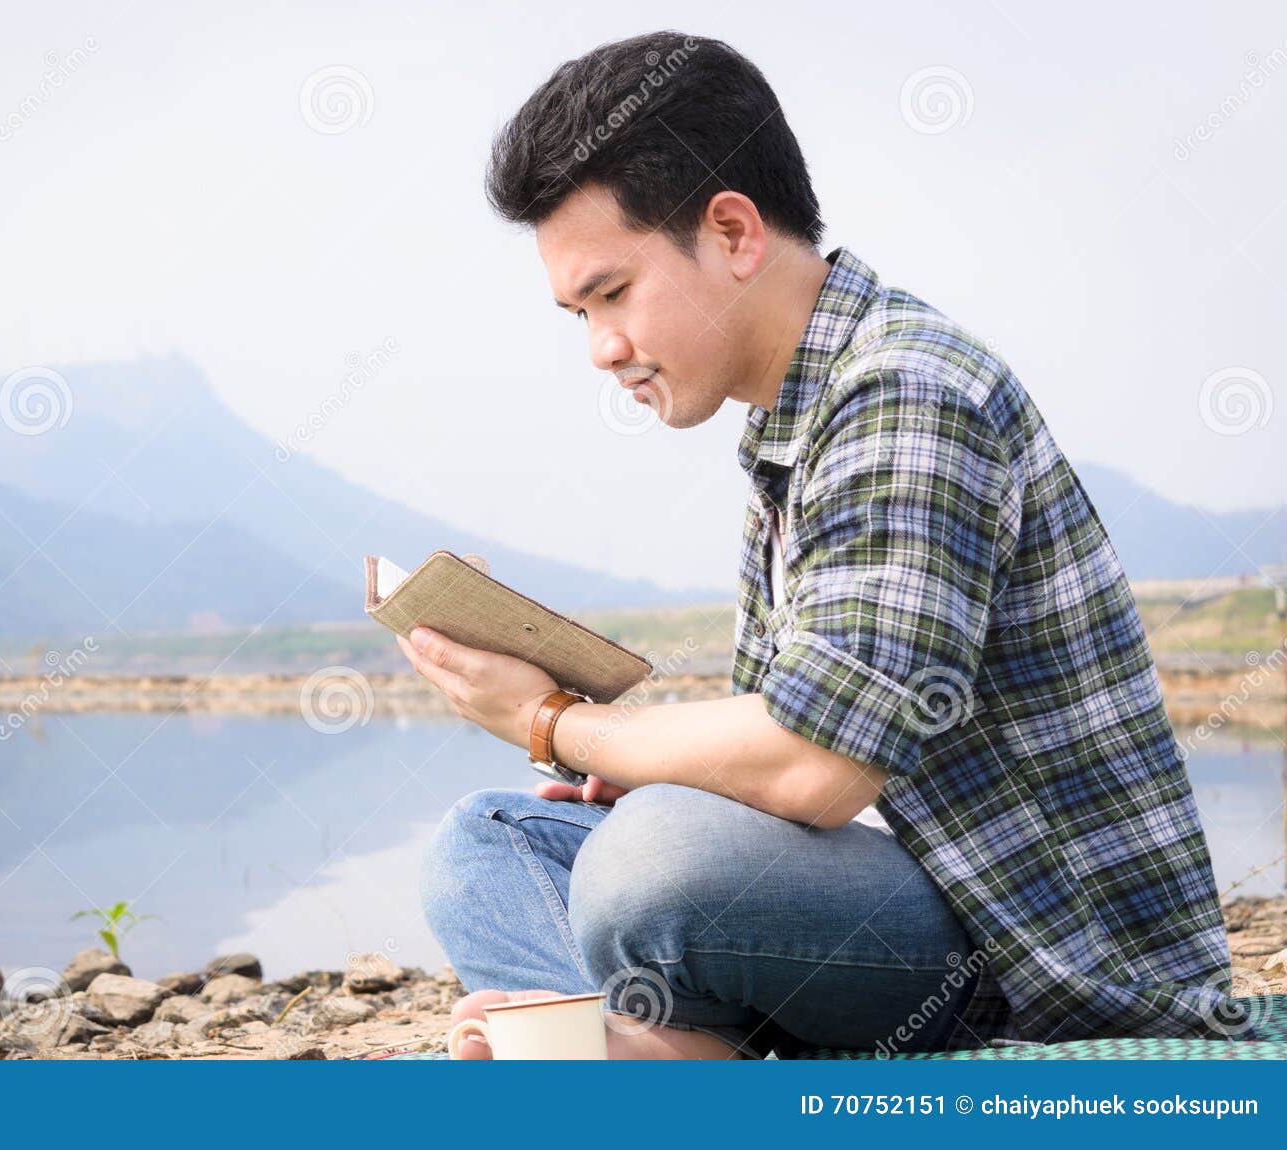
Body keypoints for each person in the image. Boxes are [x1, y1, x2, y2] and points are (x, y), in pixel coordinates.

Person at [402, 30, 1244, 1059]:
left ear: (732, 232)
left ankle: (647, 1059)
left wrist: (552, 720)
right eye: (578, 313)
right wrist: (659, 770)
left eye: (612, 294)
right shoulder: (790, 426)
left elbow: (818, 766)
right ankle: (649, 1057)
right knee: (485, 847)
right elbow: (793, 742)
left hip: (1031, 950)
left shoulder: (905, 393)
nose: (601, 349)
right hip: (890, 887)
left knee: (652, 863)